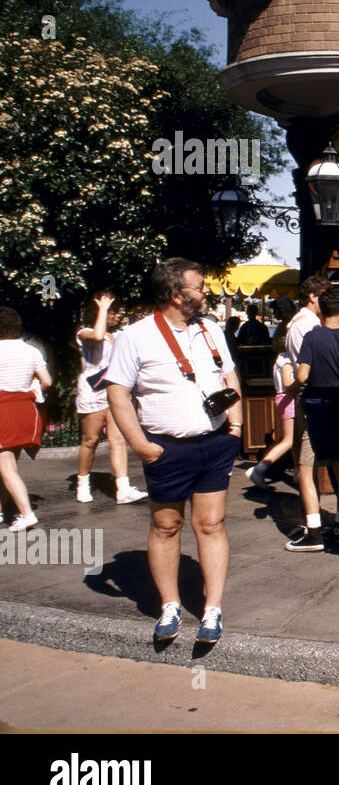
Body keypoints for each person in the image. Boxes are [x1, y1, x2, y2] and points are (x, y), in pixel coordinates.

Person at [104, 259, 243, 644]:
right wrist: (142, 447)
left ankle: (212, 609)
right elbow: (117, 392)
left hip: (215, 444)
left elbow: (229, 376)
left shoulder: (211, 329)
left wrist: (237, 428)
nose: (206, 292)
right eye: (199, 287)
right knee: (167, 526)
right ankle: (170, 606)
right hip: (166, 449)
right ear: (176, 295)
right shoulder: (136, 336)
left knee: (211, 524)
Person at [290, 289, 339, 551]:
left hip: (316, 407)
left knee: (306, 468)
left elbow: (304, 375)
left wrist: (292, 383)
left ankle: (314, 529)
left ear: (321, 309)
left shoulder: (312, 337)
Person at [75, 292, 147, 505]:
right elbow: (97, 337)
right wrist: (103, 309)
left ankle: (123, 488)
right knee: (91, 440)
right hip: (93, 390)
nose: (117, 315)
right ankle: (82, 482)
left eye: (116, 311)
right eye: (113, 311)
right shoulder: (84, 332)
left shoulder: (118, 335)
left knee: (118, 439)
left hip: (114, 391)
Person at [281, 276, 328, 550]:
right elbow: (307, 370)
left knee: (311, 464)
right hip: (312, 400)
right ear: (312, 296)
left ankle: (318, 525)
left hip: (310, 400)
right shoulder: (307, 326)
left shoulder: (303, 325)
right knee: (306, 467)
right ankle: (314, 530)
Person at [0, 306, 51, 531]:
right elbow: (46, 381)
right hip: (26, 411)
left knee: (6, 467)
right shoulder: (31, 351)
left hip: (3, 410)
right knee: (7, 466)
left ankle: (27, 514)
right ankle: (1, 511)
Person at [246, 329, 296, 486]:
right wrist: (303, 380)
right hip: (289, 399)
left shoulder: (280, 357)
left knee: (294, 439)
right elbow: (288, 382)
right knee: (289, 440)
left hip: (283, 398)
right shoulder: (287, 359)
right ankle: (259, 469)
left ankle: (298, 472)